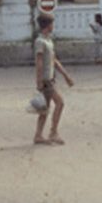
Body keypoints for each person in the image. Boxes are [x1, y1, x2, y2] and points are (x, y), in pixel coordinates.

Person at [33, 14, 74, 145]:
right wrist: (39, 81)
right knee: (60, 103)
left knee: (45, 109)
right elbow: (39, 62)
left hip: (50, 79)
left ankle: (39, 135)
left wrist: (66, 75)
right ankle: (53, 132)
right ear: (47, 25)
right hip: (46, 80)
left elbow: (54, 61)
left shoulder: (49, 41)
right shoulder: (40, 42)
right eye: (52, 24)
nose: (53, 26)